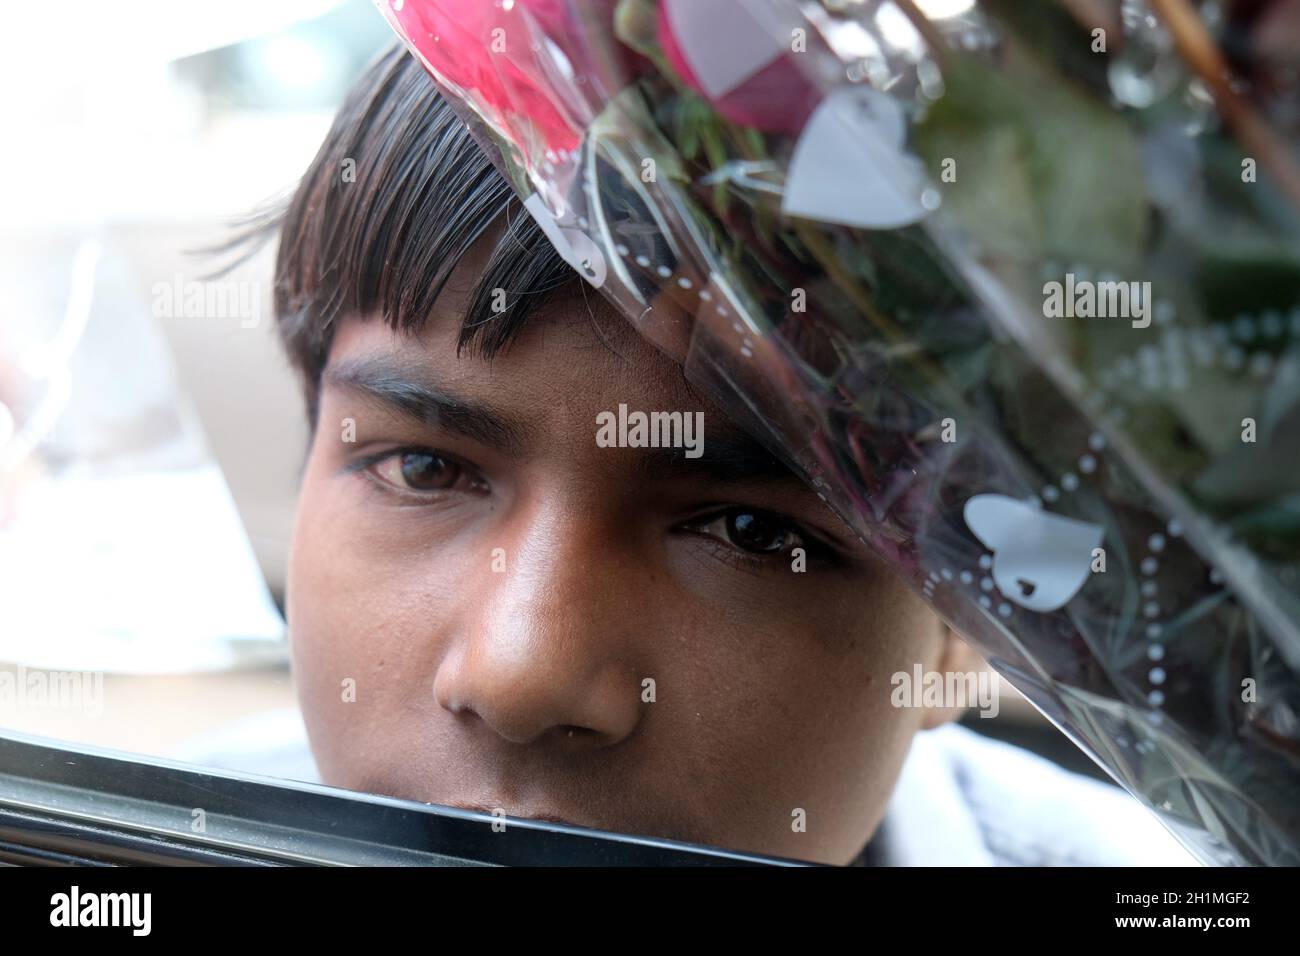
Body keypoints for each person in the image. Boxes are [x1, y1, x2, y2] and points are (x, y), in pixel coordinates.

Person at [212, 43, 1197, 866]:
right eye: (422, 469)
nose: (522, 672)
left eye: (752, 530)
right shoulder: (120, 834)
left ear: (967, 629)